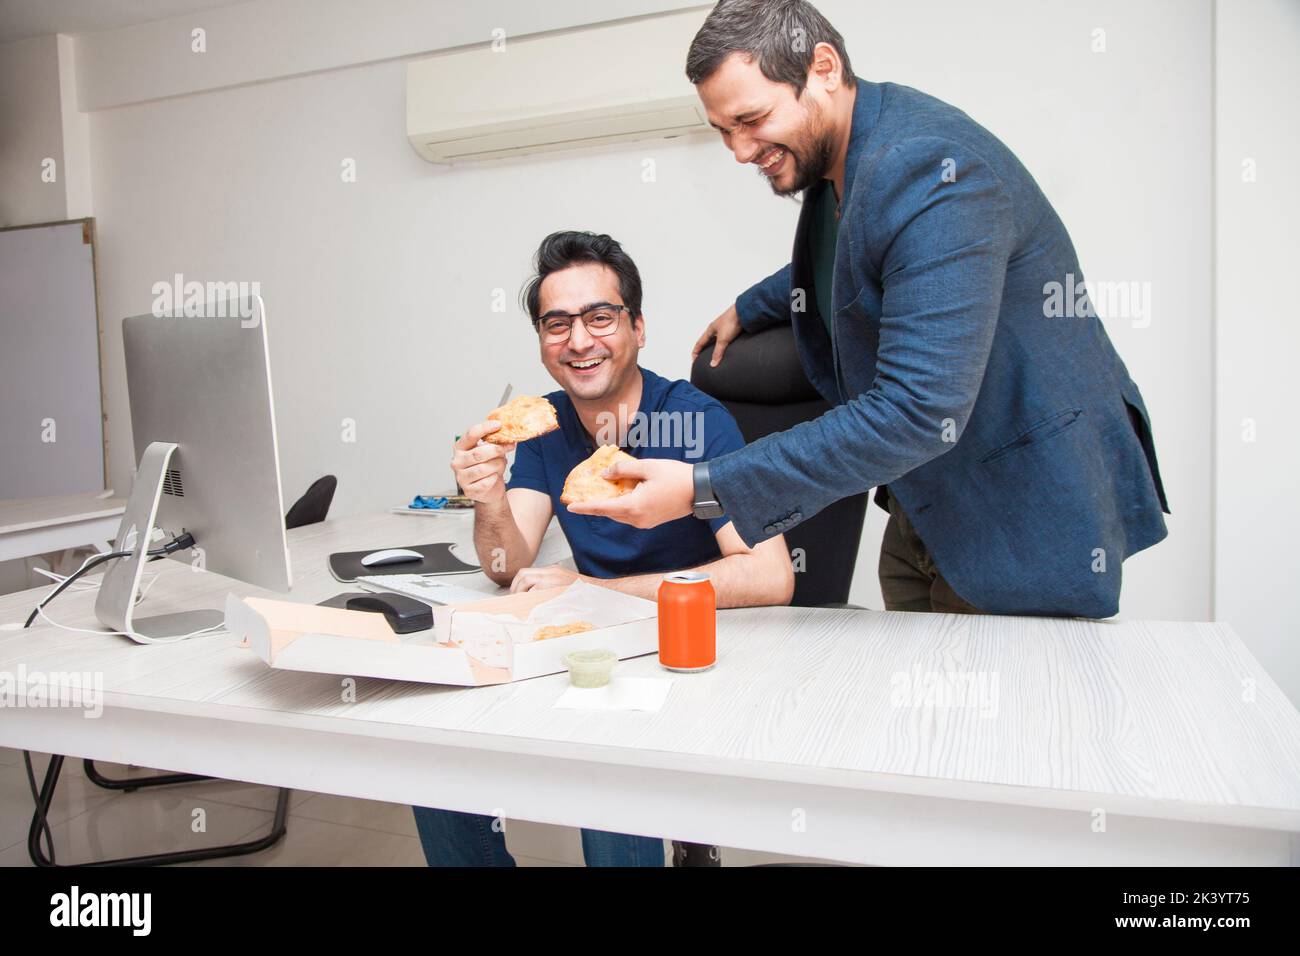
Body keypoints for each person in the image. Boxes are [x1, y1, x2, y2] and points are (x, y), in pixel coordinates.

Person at [568, 0, 1170, 619]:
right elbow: (864, 251)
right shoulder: (847, 148)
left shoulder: (934, 172)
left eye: (752, 120)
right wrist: (752, 304)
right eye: (724, 130)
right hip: (925, 499)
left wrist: (703, 488)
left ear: (823, 68)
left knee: (1001, 712)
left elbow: (915, 411)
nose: (741, 151)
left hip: (1018, 503)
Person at [412, 229, 794, 866]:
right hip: (594, 645)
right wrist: (489, 498)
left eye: (600, 316)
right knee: (435, 746)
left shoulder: (694, 422)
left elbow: (770, 577)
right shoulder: (543, 425)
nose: (579, 340)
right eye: (556, 323)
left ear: (638, 328)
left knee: (608, 776)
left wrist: (593, 590)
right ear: (541, 342)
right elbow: (507, 564)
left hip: (690, 649)